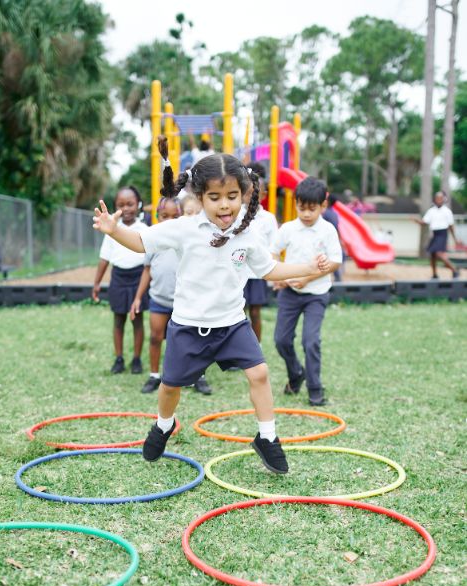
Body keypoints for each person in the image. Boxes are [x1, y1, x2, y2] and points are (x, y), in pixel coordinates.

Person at [93, 137, 328, 474]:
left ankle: (267, 437)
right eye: (215, 197)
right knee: (170, 386)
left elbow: (269, 269)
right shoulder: (184, 228)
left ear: (244, 194)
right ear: (200, 197)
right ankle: (164, 425)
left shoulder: (246, 233)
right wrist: (114, 231)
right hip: (189, 326)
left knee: (260, 373)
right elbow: (141, 242)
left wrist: (308, 269)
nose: (224, 205)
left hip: (232, 324)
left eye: (232, 196)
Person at [130, 197, 212, 396]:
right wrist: (138, 297)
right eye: (164, 216)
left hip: (186, 302)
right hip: (159, 300)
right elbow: (147, 270)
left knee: (193, 340)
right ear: (157, 216)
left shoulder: (189, 239)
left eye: (175, 216)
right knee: (156, 337)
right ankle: (154, 375)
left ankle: (198, 376)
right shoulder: (153, 239)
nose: (169, 221)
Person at [273, 177, 342, 407]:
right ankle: (296, 373)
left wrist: (307, 278)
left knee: (310, 341)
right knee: (281, 340)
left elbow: (335, 262)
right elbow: (273, 253)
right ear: (296, 204)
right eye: (301, 208)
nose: (306, 214)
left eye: (312, 209)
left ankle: (315, 389)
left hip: (316, 294)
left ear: (323, 205)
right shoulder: (288, 229)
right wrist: (280, 276)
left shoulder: (328, 230)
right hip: (289, 294)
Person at [92, 186, 148, 375]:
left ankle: (137, 359)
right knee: (118, 320)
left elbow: (151, 261)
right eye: (120, 205)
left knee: (137, 320)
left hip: (138, 278)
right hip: (118, 278)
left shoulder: (144, 230)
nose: (125, 209)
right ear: (115, 207)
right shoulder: (112, 228)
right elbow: (104, 258)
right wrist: (97, 283)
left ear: (138, 204)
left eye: (130, 204)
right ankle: (119, 358)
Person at [242, 176, 278, 341]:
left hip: (258, 273)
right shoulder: (236, 216)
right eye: (247, 193)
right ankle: (240, 347)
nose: (251, 197)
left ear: (263, 195)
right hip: (240, 272)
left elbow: (273, 247)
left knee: (255, 312)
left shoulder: (268, 219)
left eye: (255, 193)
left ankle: (257, 346)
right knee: (239, 312)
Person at [414, 191, 460, 279]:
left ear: (444, 199)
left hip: (442, 234)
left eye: (440, 198)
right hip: (435, 234)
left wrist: (455, 239)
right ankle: (434, 274)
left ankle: (454, 270)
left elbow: (451, 226)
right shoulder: (431, 211)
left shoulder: (447, 211)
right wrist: (416, 221)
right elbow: (424, 222)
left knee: (439, 253)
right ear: (435, 199)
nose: (438, 200)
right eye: (437, 198)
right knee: (432, 255)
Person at [322, 194, 345, 281]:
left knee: (326, 258)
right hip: (334, 237)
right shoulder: (335, 213)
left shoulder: (325, 213)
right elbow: (337, 227)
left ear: (327, 201)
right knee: (333, 257)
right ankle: (338, 277)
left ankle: (337, 277)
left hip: (327, 239)